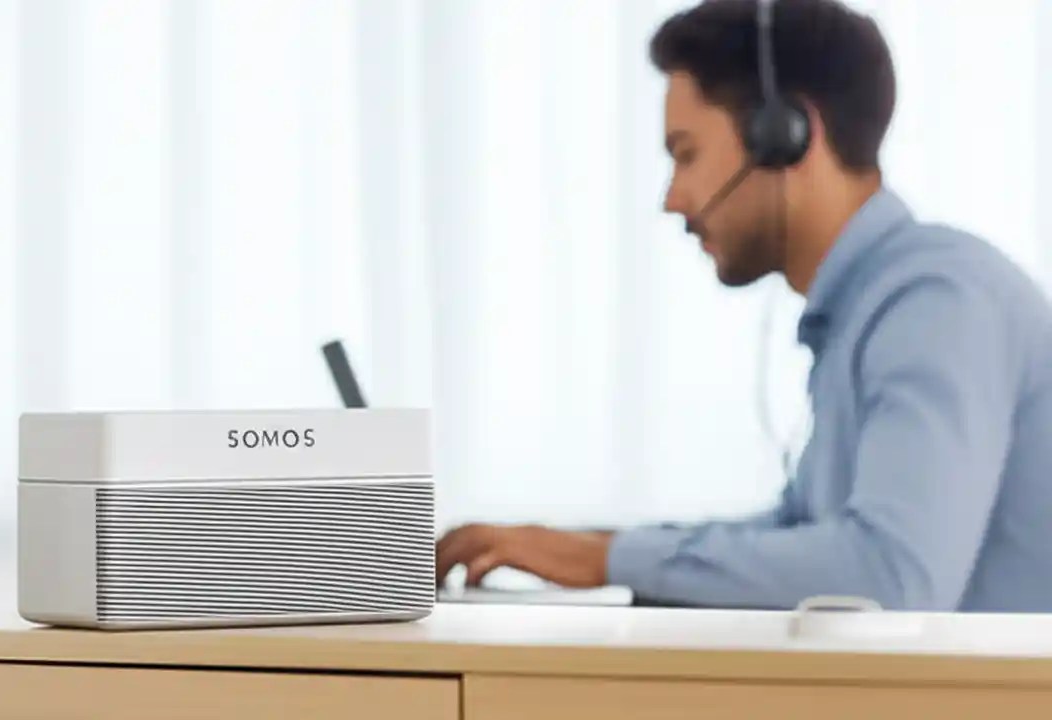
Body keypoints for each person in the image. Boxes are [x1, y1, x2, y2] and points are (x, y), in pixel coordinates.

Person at [435, 0, 1052, 612]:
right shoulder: (867, 312)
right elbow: (799, 535)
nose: (673, 199)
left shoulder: (939, 301)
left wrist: (601, 560)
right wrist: (579, 548)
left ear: (784, 135)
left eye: (685, 153)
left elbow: (889, 575)